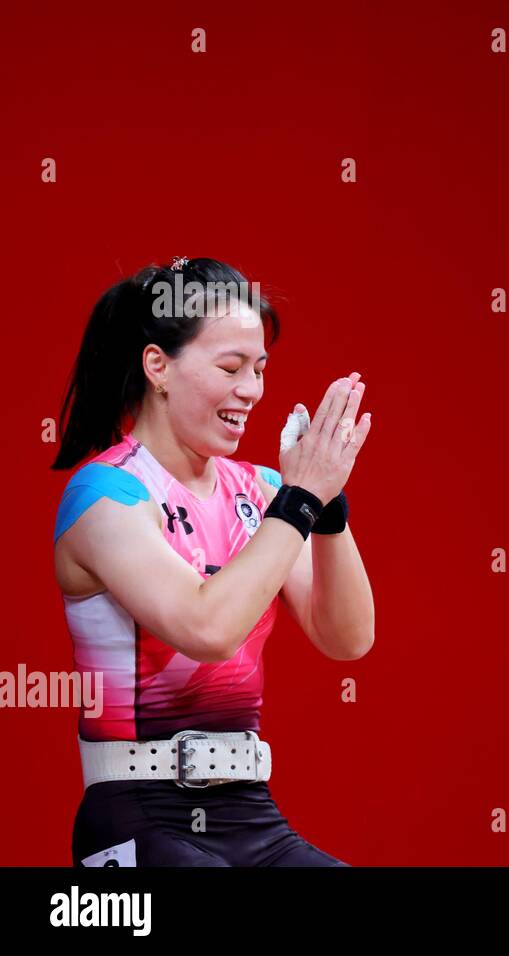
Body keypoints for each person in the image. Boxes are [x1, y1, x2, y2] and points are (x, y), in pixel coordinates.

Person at [50, 257, 375, 866]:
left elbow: (347, 638)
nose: (252, 390)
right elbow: (208, 630)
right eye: (230, 367)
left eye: (259, 369)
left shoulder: (262, 492)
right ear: (158, 368)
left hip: (251, 814)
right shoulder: (107, 494)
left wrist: (327, 509)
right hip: (137, 818)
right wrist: (302, 498)